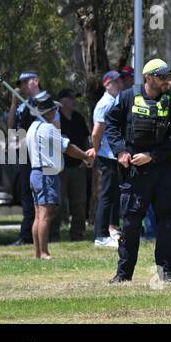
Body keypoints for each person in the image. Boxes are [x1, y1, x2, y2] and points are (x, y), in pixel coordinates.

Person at [104, 58, 171, 284]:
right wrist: (120, 151)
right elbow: (110, 124)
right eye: (162, 77)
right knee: (130, 223)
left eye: (167, 77)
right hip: (135, 173)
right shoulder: (128, 97)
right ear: (148, 78)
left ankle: (164, 272)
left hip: (163, 169)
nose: (166, 81)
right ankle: (124, 274)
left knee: (167, 221)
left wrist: (153, 156)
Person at [26, 91, 94, 259]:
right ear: (49, 111)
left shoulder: (32, 127)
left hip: (36, 172)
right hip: (46, 173)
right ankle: (43, 252)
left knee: (38, 215)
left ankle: (37, 252)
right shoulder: (48, 128)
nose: (56, 112)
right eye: (54, 109)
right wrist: (86, 157)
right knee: (45, 216)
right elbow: (68, 147)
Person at [53, 89, 92, 242]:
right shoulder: (56, 119)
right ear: (62, 101)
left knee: (80, 203)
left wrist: (85, 158)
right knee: (57, 203)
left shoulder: (78, 118)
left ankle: (78, 234)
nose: (74, 101)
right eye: (70, 98)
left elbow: (85, 140)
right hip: (60, 168)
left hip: (78, 168)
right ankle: (53, 235)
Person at [91, 70, 124, 248]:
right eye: (115, 82)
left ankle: (110, 231)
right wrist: (96, 151)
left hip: (112, 155)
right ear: (107, 84)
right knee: (106, 195)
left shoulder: (113, 101)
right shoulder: (105, 104)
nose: (120, 84)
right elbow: (96, 132)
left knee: (112, 194)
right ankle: (100, 235)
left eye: (120, 81)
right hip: (106, 155)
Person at [8, 72, 40, 245]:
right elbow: (11, 126)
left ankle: (42, 233)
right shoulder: (22, 106)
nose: (21, 86)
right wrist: (14, 102)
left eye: (24, 82)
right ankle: (27, 234)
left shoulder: (42, 101)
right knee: (26, 195)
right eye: (20, 84)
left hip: (39, 155)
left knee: (40, 196)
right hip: (24, 154)